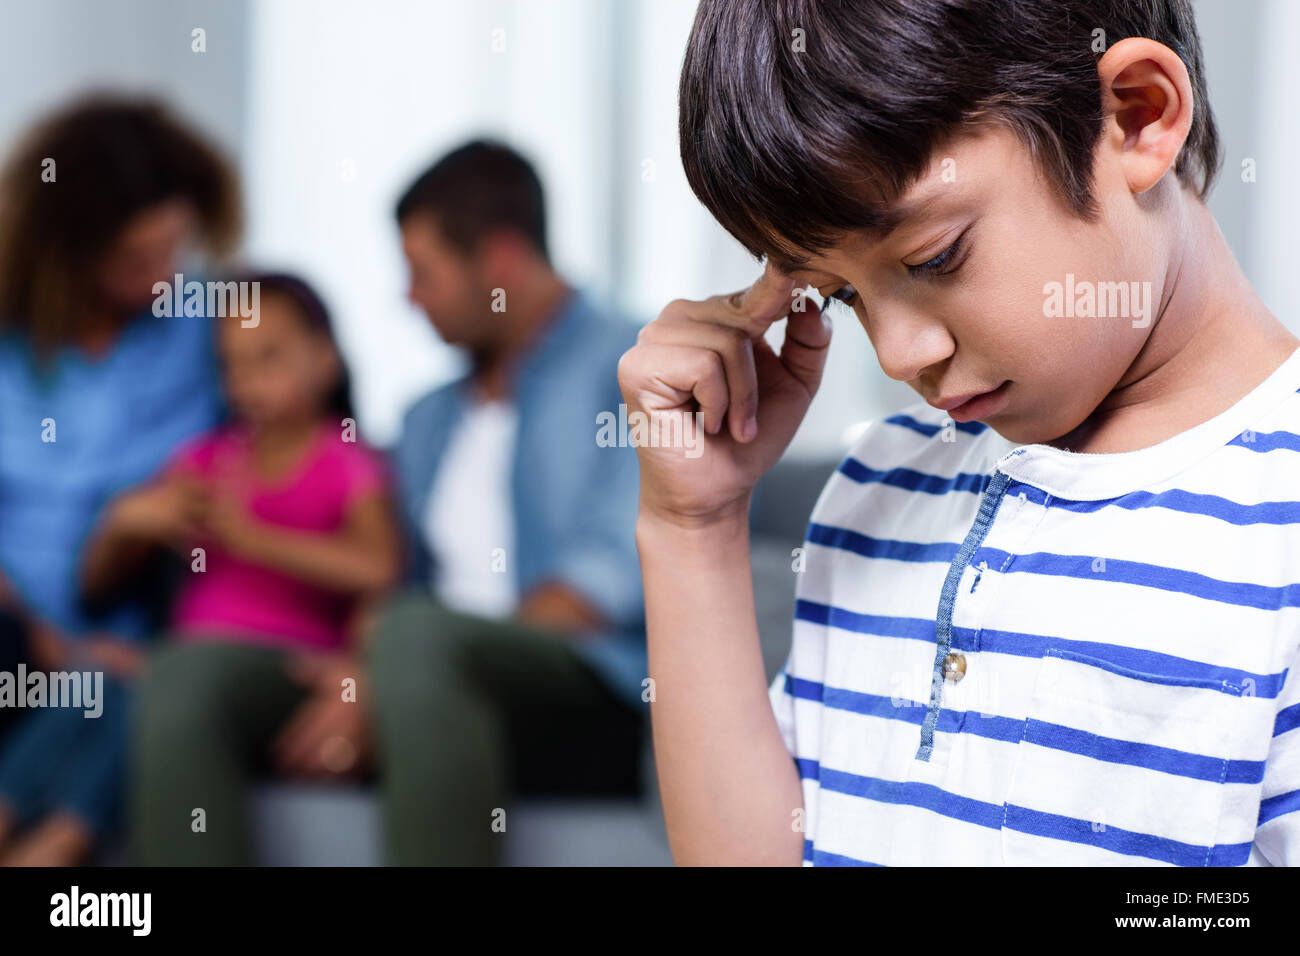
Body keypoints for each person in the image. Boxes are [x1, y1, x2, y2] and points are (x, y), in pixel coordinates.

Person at [619, 0, 1300, 865]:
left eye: (935, 257)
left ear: (1136, 115)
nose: (900, 355)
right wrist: (693, 530)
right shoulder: (881, 486)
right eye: (842, 295)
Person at [368, 140, 646, 865]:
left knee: (418, 638)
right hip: (424, 676)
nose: (409, 297)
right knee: (198, 676)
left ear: (498, 261)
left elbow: (611, 574)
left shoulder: (635, 365)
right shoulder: (427, 417)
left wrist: (404, 660)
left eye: (422, 273)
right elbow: (401, 585)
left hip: (588, 692)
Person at [0, 94, 239, 865]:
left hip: (143, 635)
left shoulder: (210, 331)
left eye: (173, 250)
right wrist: (41, 639)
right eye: (135, 260)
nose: (161, 278)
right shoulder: (11, 343)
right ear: (67, 249)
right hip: (15, 635)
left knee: (140, 686)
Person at [108, 274, 402, 866]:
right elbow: (95, 578)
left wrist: (254, 538)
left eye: (269, 358)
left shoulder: (346, 461)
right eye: (232, 364)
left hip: (289, 673)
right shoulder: (205, 461)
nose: (249, 382)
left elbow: (381, 567)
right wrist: (123, 522)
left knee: (182, 682)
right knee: (100, 692)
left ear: (325, 359)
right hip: (186, 666)